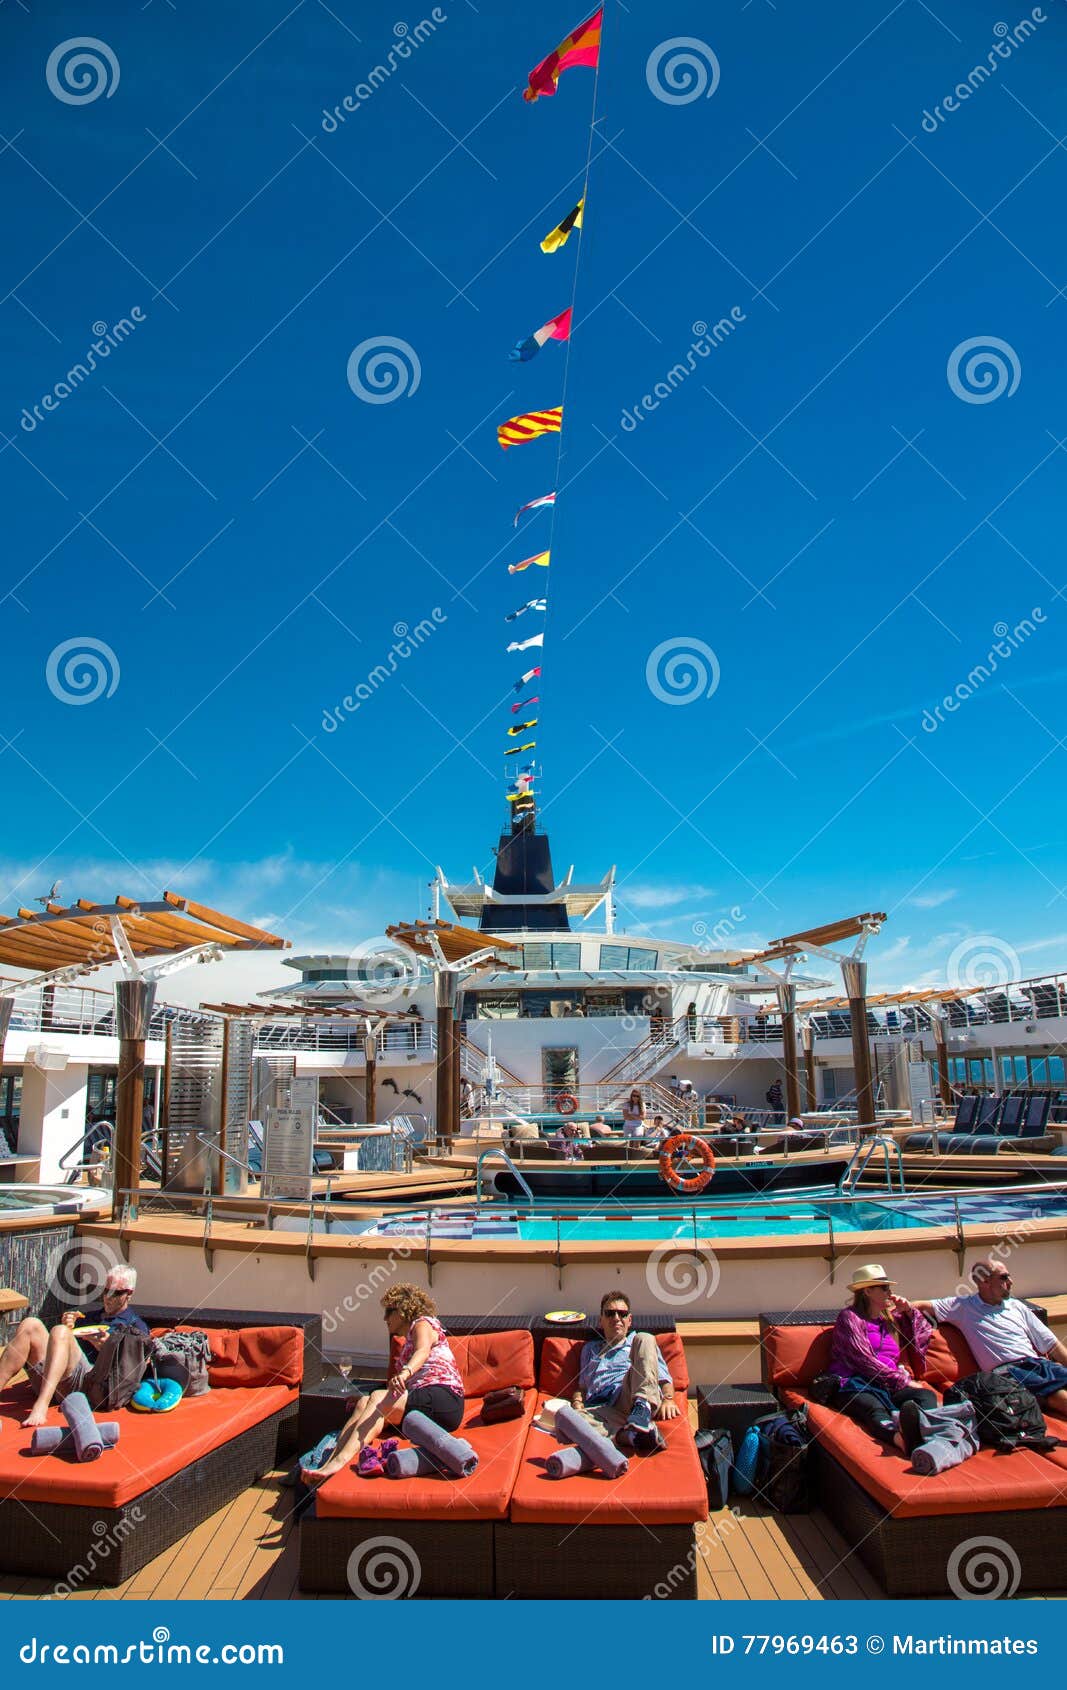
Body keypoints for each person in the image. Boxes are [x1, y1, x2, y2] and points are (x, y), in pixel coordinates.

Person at [303, 1284, 464, 1486]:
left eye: (389, 1311)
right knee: (364, 1401)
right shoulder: (407, 1343)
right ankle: (329, 1462)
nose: (384, 1318)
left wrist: (405, 1373)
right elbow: (395, 1391)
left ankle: (340, 1462)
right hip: (422, 1402)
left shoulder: (423, 1323)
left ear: (403, 1310)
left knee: (378, 1399)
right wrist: (369, 1395)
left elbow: (422, 1351)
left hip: (444, 1398)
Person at [0, 1264, 148, 1428]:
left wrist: (108, 1349)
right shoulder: (89, 1317)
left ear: (129, 1294)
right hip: (60, 1379)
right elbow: (61, 1344)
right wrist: (68, 1327)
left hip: (90, 1385)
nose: (108, 1297)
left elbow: (136, 1369)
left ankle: (41, 1405)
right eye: (106, 1290)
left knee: (60, 1332)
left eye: (116, 1292)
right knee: (30, 1324)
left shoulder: (136, 1327)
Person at [915, 1262, 1067, 1416]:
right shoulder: (963, 1306)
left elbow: (1051, 1344)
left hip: (1039, 1364)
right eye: (1004, 1277)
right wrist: (899, 1306)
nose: (1011, 1281)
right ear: (984, 1281)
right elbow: (920, 1305)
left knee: (1056, 1385)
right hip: (1008, 1372)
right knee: (1056, 1395)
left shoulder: (1017, 1306)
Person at [829, 1264, 936, 1442]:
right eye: (884, 1288)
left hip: (887, 1383)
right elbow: (863, 1360)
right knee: (875, 1407)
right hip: (855, 1382)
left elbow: (923, 1334)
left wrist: (909, 1312)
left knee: (925, 1395)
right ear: (867, 1291)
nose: (889, 1292)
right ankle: (900, 1440)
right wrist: (902, 1380)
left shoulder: (890, 1318)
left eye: (889, 1288)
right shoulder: (849, 1318)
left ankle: (926, 1432)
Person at [571, 1291, 678, 1453]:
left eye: (622, 1314)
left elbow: (663, 1378)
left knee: (646, 1337)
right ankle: (630, 1436)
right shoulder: (589, 1349)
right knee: (565, 1420)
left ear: (629, 1320)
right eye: (610, 1313)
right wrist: (577, 1403)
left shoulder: (637, 1343)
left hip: (630, 1396)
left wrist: (668, 1399)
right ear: (601, 1320)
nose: (616, 1318)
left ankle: (642, 1409)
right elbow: (582, 1388)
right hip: (602, 1409)